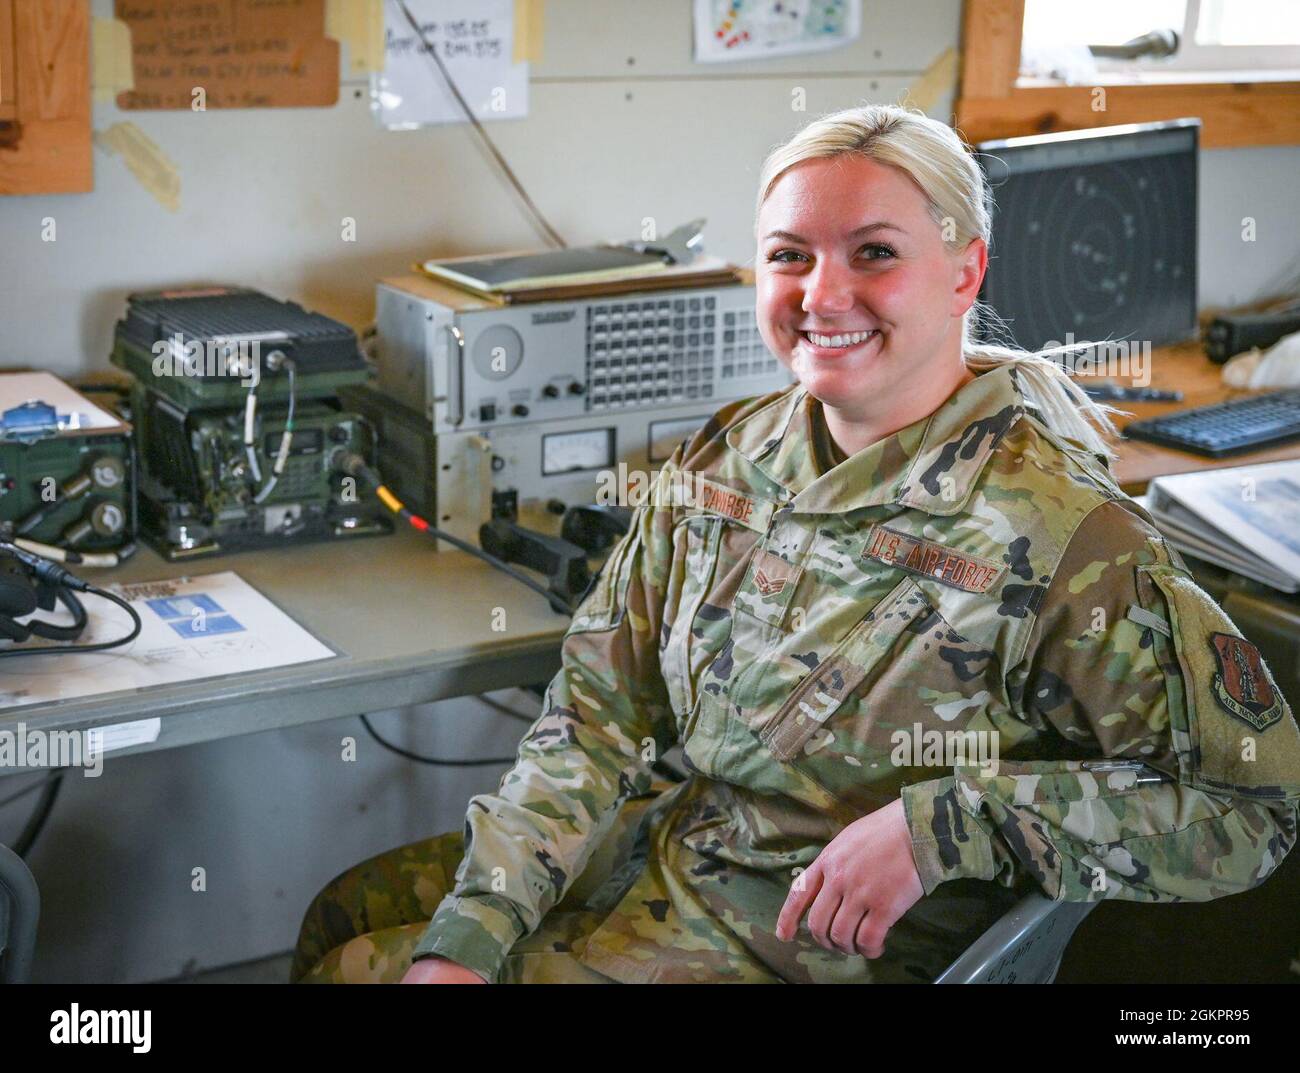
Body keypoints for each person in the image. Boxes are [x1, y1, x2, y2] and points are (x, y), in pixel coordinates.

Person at [291, 104, 1300, 985]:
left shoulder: (1062, 536)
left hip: (806, 944)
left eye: (873, 252)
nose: (821, 293)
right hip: (684, 847)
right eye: (789, 254)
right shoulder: (730, 454)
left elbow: (1251, 806)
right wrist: (474, 931)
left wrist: (949, 820)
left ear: (964, 269)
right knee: (347, 911)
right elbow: (597, 717)